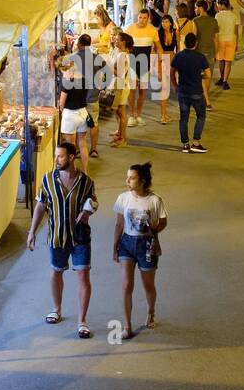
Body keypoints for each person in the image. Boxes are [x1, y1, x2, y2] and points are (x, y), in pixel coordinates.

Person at [27, 142, 99, 339]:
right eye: (56, 156)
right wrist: (32, 231)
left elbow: (93, 202)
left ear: (71, 157)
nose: (56, 160)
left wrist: (87, 210)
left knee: (83, 275)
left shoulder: (86, 182)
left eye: (60, 156)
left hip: (80, 237)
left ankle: (82, 321)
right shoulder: (47, 180)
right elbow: (41, 206)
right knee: (56, 272)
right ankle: (56, 309)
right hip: (57, 236)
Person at [112, 163, 167, 339]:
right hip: (127, 243)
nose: (127, 180)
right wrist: (115, 245)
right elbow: (119, 223)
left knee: (148, 285)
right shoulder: (123, 198)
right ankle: (127, 326)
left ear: (142, 180)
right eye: (127, 177)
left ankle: (151, 312)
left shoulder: (154, 200)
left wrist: (153, 229)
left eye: (132, 178)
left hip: (147, 245)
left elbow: (163, 221)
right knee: (126, 285)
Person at [171, 33, 211, 153]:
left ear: (184, 43)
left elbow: (172, 72)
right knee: (201, 115)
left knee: (184, 118)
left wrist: (175, 85)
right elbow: (208, 75)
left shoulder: (178, 56)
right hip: (196, 91)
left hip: (182, 91)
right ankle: (196, 142)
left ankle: (185, 145)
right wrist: (199, 76)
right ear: (196, 43)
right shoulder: (200, 57)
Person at [58, 51, 95, 172]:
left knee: (70, 148)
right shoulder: (84, 80)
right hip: (83, 113)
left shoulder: (67, 83)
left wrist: (60, 109)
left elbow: (62, 103)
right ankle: (85, 171)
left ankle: (71, 172)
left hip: (70, 115)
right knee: (83, 144)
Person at [126, 9, 159, 127]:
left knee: (142, 91)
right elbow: (124, 46)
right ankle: (131, 116)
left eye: (145, 18)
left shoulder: (152, 30)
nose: (142, 20)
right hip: (132, 64)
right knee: (132, 90)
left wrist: (159, 61)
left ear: (148, 18)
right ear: (137, 17)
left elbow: (158, 47)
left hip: (145, 65)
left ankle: (138, 115)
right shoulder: (130, 29)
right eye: (140, 17)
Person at [153, 5, 178, 124]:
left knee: (167, 89)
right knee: (164, 89)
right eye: (163, 21)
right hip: (162, 60)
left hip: (172, 61)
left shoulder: (175, 33)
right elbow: (154, 50)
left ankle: (165, 114)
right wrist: (156, 68)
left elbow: (178, 48)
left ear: (171, 23)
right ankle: (162, 115)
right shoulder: (158, 33)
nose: (164, 23)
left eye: (166, 21)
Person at [109, 32, 133, 147]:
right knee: (119, 113)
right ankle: (120, 135)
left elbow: (120, 74)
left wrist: (108, 68)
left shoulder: (122, 55)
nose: (115, 40)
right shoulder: (122, 54)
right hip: (121, 86)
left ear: (123, 42)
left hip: (121, 87)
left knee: (122, 113)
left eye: (117, 39)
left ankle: (123, 139)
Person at [213, 0, 240, 89]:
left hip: (220, 40)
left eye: (218, 4)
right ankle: (225, 81)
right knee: (228, 62)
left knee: (221, 61)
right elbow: (236, 32)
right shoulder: (234, 16)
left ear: (221, 5)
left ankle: (221, 78)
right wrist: (237, 43)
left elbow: (216, 30)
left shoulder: (217, 16)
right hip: (231, 40)